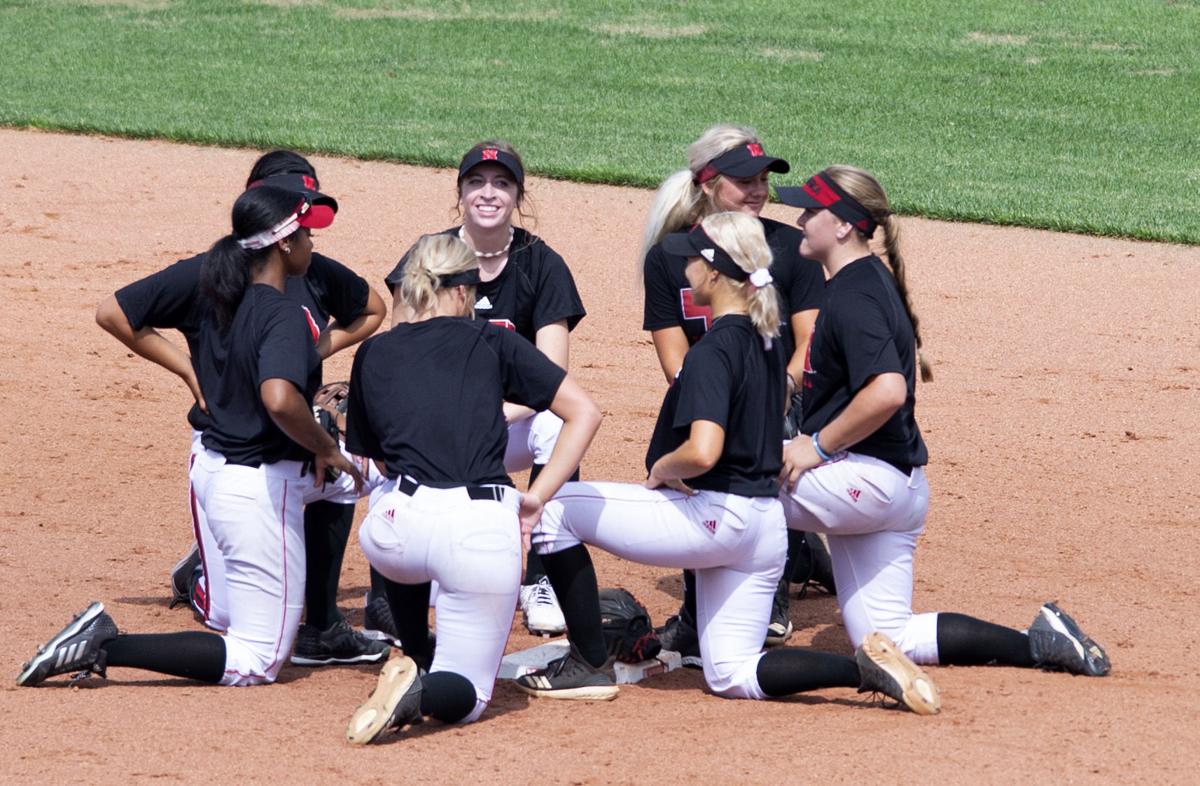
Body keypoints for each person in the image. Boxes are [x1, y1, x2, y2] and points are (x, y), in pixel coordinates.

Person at [514, 212, 940, 715]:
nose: (685, 266)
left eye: (693, 258)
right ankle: (864, 669)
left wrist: (665, 469)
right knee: (730, 672)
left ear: (714, 274)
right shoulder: (768, 340)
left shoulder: (714, 349)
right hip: (762, 531)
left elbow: (703, 451)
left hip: (715, 522)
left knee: (557, 506)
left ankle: (586, 664)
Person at [18, 186, 365, 688]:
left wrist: (331, 455)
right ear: (284, 245)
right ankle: (105, 643)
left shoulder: (215, 292)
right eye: (307, 233)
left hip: (221, 473)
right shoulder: (283, 313)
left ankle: (359, 608)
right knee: (258, 658)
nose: (313, 243)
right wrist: (325, 445)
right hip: (258, 490)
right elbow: (280, 400)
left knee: (360, 477)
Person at [775, 166, 1110, 678]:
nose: (799, 219)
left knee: (732, 485)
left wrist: (815, 447)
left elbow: (888, 391)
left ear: (843, 225)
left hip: (861, 480)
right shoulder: (864, 280)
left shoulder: (853, 293)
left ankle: (707, 632)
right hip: (897, 489)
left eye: (811, 211)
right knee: (886, 638)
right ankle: (1038, 643)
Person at [94, 150, 390, 666]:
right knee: (235, 628)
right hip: (236, 457)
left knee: (355, 474)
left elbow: (371, 310)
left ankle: (324, 621)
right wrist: (186, 368)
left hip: (284, 448)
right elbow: (114, 313)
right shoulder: (216, 279)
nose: (311, 234)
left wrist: (312, 353)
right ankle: (201, 578)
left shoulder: (303, 278)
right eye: (301, 218)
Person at [342, 234, 601, 744]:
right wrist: (537, 498)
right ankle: (420, 690)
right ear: (463, 292)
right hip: (477, 536)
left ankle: (415, 650)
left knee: (399, 504)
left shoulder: (374, 351)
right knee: (466, 697)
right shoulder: (494, 341)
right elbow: (585, 414)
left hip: (392, 536)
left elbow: (376, 456)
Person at [640, 124, 829, 659]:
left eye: (763, 179)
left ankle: (771, 596)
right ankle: (701, 603)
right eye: (742, 179)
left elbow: (809, 339)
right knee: (683, 440)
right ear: (706, 184)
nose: (757, 189)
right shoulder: (668, 257)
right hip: (709, 388)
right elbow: (673, 356)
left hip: (781, 394)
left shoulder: (789, 247)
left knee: (755, 435)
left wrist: (778, 391)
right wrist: (705, 396)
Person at [382, 140, 586, 637]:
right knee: (372, 443)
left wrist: (492, 414)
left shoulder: (542, 264)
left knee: (558, 424)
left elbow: (552, 371)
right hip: (438, 431)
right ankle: (392, 576)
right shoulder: (428, 254)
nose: (488, 193)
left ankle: (542, 577)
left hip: (508, 423)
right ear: (460, 192)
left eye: (501, 183)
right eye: (476, 182)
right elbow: (397, 352)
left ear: (518, 195)